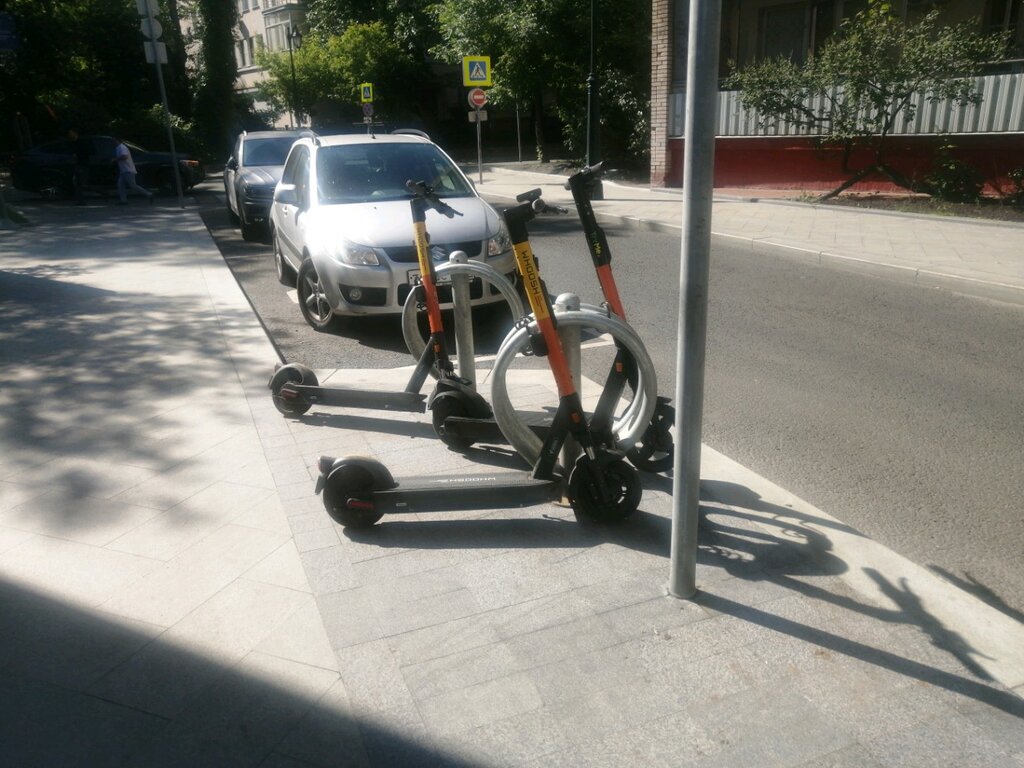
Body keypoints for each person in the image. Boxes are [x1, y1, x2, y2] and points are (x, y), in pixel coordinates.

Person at [112, 137, 154, 205]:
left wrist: (115, 160)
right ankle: (123, 201)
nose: (113, 142)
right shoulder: (118, 148)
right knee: (120, 185)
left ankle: (149, 194)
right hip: (123, 170)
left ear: (118, 141)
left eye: (114, 140)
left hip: (128, 169)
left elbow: (125, 157)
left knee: (133, 185)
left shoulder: (122, 147)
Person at [68, 128, 91, 205]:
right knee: (77, 183)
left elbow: (86, 153)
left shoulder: (81, 142)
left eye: (71, 133)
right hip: (78, 165)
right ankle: (79, 200)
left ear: (75, 133)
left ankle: (81, 200)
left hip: (82, 165)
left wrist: (77, 156)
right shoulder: (73, 143)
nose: (70, 135)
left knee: (81, 183)